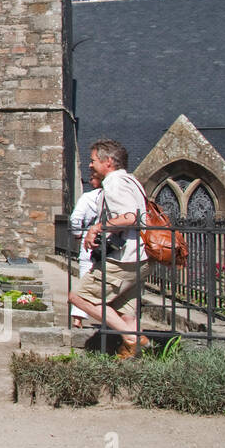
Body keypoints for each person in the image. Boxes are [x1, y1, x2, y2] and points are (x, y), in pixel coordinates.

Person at [68, 139, 151, 358]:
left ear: (109, 162)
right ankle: (133, 357)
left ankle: (134, 338)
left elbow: (131, 217)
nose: (90, 165)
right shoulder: (132, 181)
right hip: (141, 257)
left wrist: (97, 227)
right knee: (126, 313)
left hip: (124, 257)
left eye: (93, 160)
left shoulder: (114, 182)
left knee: (79, 297)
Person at [68, 176, 103, 328]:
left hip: (89, 240)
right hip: (110, 242)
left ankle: (78, 318)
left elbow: (75, 218)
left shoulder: (88, 197)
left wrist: (77, 234)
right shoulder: (112, 197)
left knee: (84, 280)